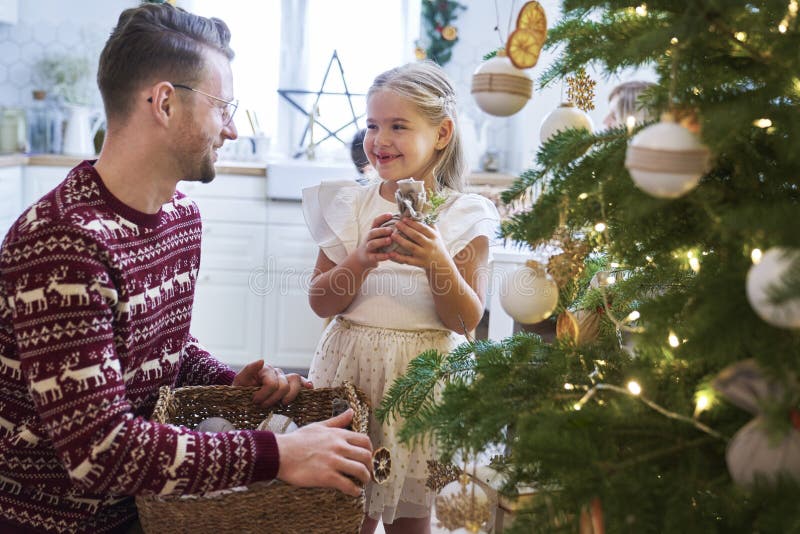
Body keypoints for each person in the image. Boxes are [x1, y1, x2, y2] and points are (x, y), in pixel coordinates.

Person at [0, 4, 371, 533]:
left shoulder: (180, 216)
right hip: (55, 521)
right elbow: (100, 452)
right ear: (165, 103)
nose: (234, 128)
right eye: (224, 106)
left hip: (144, 506)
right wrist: (277, 453)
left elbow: (156, 348)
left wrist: (228, 381)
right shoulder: (63, 242)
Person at [302, 60, 500, 534]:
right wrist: (360, 261)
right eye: (372, 125)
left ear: (441, 133)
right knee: (345, 511)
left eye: (397, 126)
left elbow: (465, 320)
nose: (379, 139)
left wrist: (438, 261)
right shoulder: (350, 205)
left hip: (423, 384)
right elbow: (321, 302)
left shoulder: (465, 215)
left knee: (411, 516)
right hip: (352, 376)